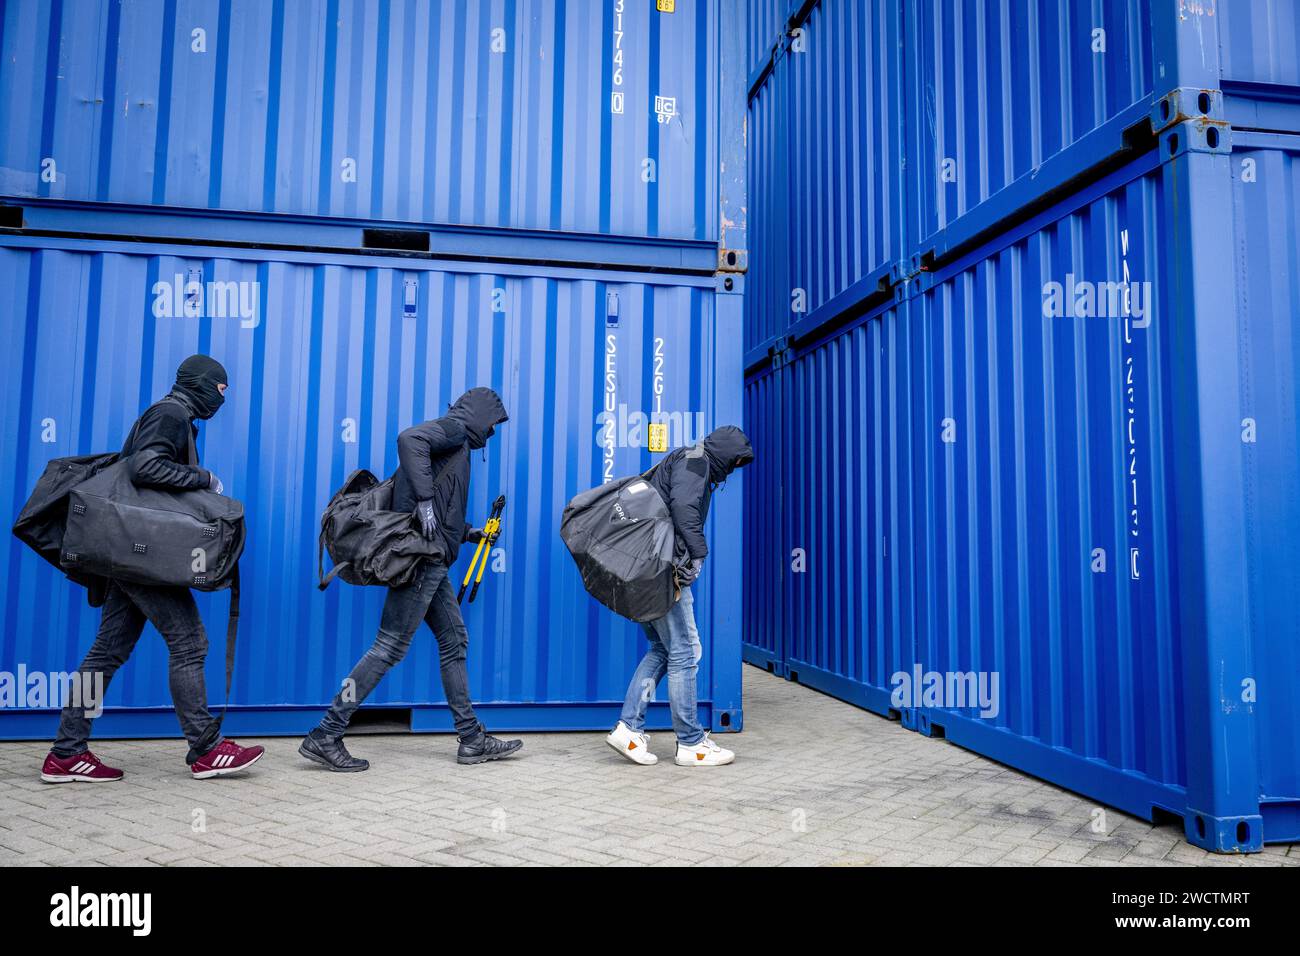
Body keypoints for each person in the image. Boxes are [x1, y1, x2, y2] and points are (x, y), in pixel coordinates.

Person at [41, 354, 265, 783]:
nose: (223, 397)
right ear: (201, 383)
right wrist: (204, 479)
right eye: (220, 389)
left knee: (106, 653)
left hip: (129, 553)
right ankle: (205, 749)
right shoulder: (171, 413)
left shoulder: (174, 413)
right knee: (189, 644)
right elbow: (144, 467)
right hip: (142, 556)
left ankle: (67, 753)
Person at [300, 387, 522, 771]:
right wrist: (422, 501)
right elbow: (409, 439)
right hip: (421, 560)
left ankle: (471, 740)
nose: (493, 434)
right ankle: (326, 733)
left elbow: (440, 509)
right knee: (388, 647)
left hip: (431, 559)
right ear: (480, 415)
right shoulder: (453, 429)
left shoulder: (455, 448)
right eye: (493, 425)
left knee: (454, 640)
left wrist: (471, 534)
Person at [606, 425, 754, 767]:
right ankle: (691, 743)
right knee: (687, 650)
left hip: (644, 567)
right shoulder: (696, 462)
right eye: (734, 462)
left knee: (663, 648)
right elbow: (684, 509)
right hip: (661, 570)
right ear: (725, 454)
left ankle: (629, 729)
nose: (732, 470)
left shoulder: (683, 459)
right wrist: (698, 554)